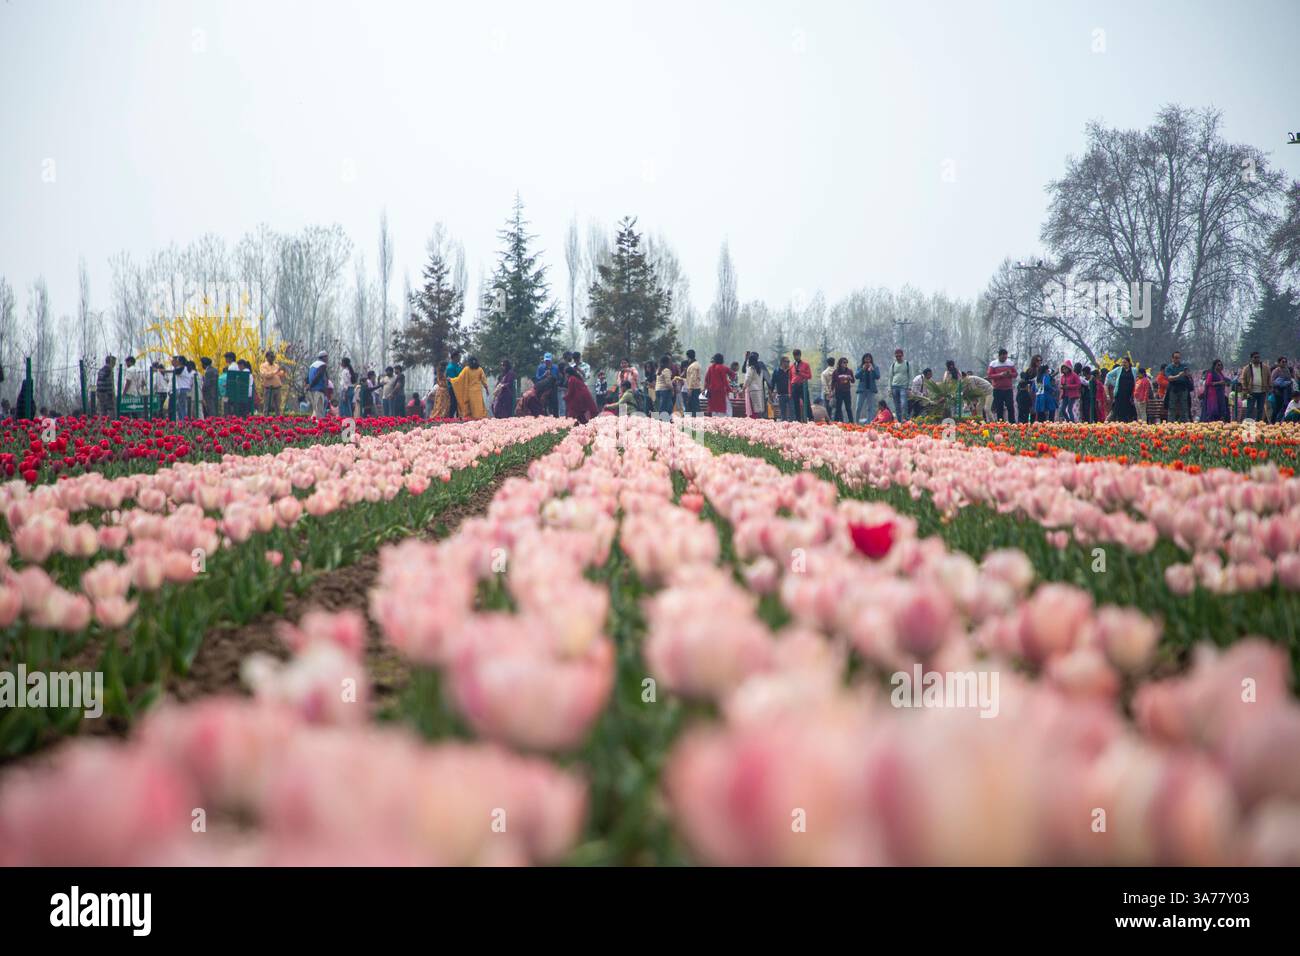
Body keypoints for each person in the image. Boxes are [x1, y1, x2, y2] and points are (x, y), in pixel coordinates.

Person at [987, 348, 1016, 422]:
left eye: (1006, 357)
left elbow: (1015, 374)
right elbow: (989, 375)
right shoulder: (993, 364)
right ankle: (1001, 423)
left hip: (1008, 389)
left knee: (1010, 406)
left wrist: (1010, 374)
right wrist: (1000, 375)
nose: (1004, 359)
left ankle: (1012, 422)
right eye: (1003, 357)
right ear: (999, 356)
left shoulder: (1010, 363)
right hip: (997, 389)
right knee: (999, 407)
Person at [1239, 351, 1269, 422]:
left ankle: (1259, 423)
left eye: (1258, 357)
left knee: (1260, 409)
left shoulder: (1265, 367)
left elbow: (1269, 377)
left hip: (1262, 391)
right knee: (1250, 409)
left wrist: (1269, 386)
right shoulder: (1247, 368)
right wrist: (1245, 387)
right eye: (1255, 357)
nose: (1257, 359)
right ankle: (1248, 424)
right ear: (1251, 358)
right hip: (1251, 392)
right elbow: (1242, 379)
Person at [1165, 351, 1193, 422]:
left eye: (1179, 358)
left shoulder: (1184, 366)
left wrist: (1188, 374)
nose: (1177, 359)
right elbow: (1169, 378)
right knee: (1172, 408)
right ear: (1172, 358)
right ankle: (1171, 424)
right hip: (1173, 389)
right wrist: (1178, 376)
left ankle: (1184, 423)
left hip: (1183, 389)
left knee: (1184, 407)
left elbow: (1189, 375)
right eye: (1176, 358)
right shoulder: (1169, 368)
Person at [855, 354, 880, 424]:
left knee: (870, 408)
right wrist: (863, 369)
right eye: (866, 359)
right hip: (862, 390)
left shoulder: (875, 367)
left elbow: (877, 376)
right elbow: (856, 376)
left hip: (871, 390)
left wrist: (873, 370)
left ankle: (869, 423)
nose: (867, 361)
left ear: (871, 360)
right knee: (858, 407)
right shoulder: (860, 367)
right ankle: (856, 423)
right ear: (863, 360)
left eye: (869, 359)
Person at [889, 349, 912, 422]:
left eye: (900, 356)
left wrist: (909, 388)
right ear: (895, 356)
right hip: (894, 387)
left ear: (902, 355)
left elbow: (910, 376)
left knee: (904, 404)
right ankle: (899, 421)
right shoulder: (893, 365)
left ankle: (906, 419)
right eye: (897, 356)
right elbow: (890, 377)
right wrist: (889, 389)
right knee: (897, 406)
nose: (898, 357)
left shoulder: (907, 364)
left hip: (904, 387)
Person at [743, 352, 769, 418]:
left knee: (752, 408)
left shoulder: (751, 368)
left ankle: (753, 422)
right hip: (759, 390)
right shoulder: (759, 369)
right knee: (758, 408)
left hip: (752, 390)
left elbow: (748, 379)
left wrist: (743, 388)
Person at [1111, 357, 1137, 422]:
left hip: (1129, 395)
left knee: (1129, 412)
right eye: (1122, 362)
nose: (1123, 364)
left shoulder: (1134, 370)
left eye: (1125, 362)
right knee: (1119, 412)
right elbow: (1109, 375)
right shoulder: (1119, 369)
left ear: (1129, 363)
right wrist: (1115, 383)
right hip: (1120, 394)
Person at [704, 353, 731, 417]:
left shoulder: (710, 368)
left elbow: (706, 379)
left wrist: (705, 388)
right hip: (720, 391)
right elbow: (724, 380)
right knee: (722, 407)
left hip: (712, 391)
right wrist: (729, 389)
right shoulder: (722, 367)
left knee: (714, 407)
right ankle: (723, 420)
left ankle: (715, 420)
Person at [830, 356, 855, 423]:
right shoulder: (836, 372)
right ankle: (836, 422)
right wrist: (832, 390)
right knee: (838, 408)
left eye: (846, 362)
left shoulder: (849, 371)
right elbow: (833, 381)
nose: (845, 364)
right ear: (840, 363)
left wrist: (850, 378)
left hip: (847, 391)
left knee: (848, 408)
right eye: (844, 362)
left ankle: (851, 422)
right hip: (839, 392)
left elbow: (853, 381)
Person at [1271, 357, 1294, 424]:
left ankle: (1280, 422)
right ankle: (1273, 422)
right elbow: (1272, 381)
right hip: (1277, 392)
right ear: (1279, 363)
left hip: (1286, 392)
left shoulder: (1287, 370)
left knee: (1284, 407)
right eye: (1283, 362)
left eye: (1285, 362)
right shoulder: (1276, 371)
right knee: (1277, 408)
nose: (1284, 363)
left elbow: (1289, 380)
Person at [306, 351, 329, 418]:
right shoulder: (322, 365)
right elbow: (318, 376)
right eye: (326, 357)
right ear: (323, 357)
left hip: (312, 390)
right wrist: (311, 385)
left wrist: (309, 386)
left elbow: (307, 378)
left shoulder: (312, 365)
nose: (327, 359)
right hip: (318, 389)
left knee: (315, 410)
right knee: (319, 410)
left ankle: (312, 424)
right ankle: (319, 426)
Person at [770, 356, 792, 421]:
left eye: (789, 362)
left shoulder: (790, 371)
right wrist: (771, 392)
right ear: (782, 362)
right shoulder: (776, 371)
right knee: (783, 413)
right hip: (781, 395)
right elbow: (773, 382)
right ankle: (784, 426)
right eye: (787, 362)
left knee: (792, 413)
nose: (788, 363)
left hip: (790, 395)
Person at [654, 354, 675, 419]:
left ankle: (661, 419)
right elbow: (668, 383)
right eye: (670, 361)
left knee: (661, 406)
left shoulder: (658, 370)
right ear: (667, 362)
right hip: (665, 390)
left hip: (658, 390)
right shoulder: (666, 370)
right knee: (667, 406)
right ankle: (666, 420)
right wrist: (672, 389)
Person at [444, 350, 464, 418]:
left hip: (459, 388)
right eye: (459, 357)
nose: (460, 358)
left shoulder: (458, 366)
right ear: (454, 357)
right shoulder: (450, 368)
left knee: (460, 404)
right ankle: (450, 419)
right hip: (453, 389)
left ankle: (459, 418)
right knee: (454, 404)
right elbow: (452, 380)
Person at [683, 350, 702, 416]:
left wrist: (690, 388)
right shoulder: (697, 364)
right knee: (695, 404)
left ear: (688, 357)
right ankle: (697, 419)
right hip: (696, 387)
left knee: (694, 405)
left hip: (694, 388)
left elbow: (692, 378)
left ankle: (696, 420)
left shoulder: (693, 366)